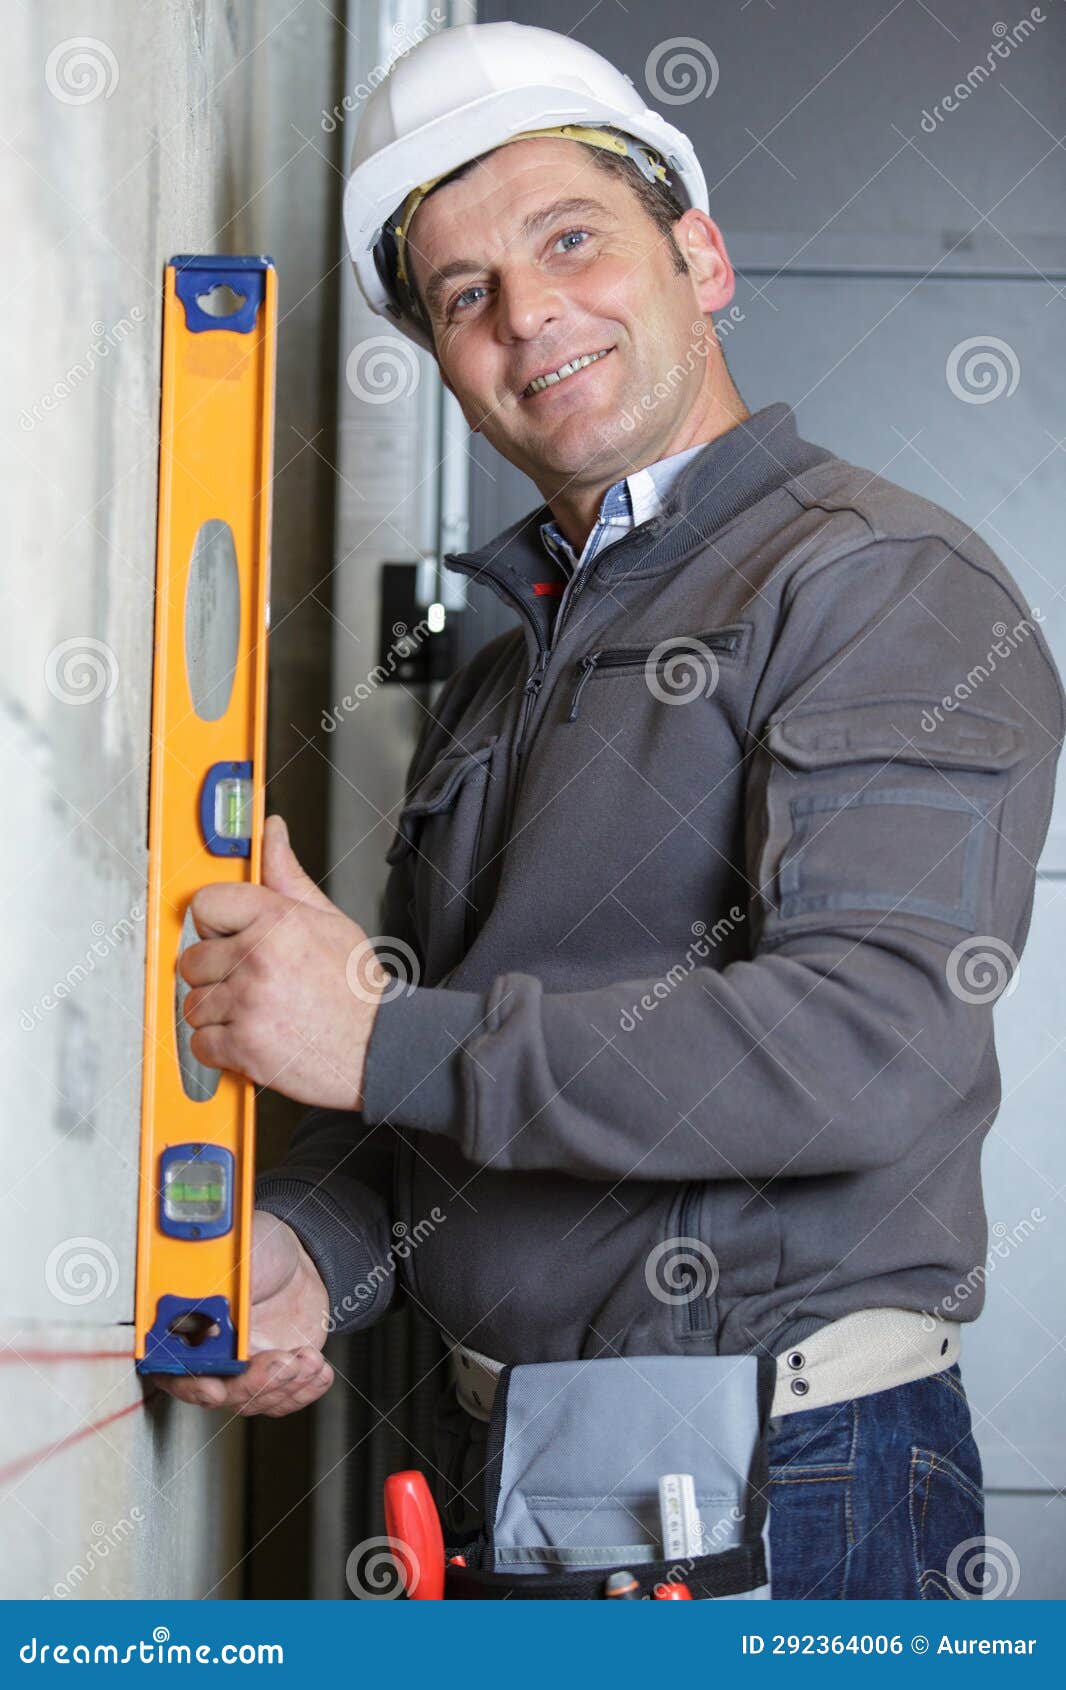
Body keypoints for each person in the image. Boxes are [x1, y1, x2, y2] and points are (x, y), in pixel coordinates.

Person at [151, 22, 1065, 1599]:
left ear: (697, 255)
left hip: (787, 1488)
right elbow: (450, 1105)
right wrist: (308, 1254)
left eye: (568, 239)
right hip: (510, 1479)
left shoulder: (868, 580)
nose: (528, 316)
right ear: (443, 357)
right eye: (464, 295)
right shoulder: (509, 664)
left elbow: (869, 1043)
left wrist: (370, 1034)